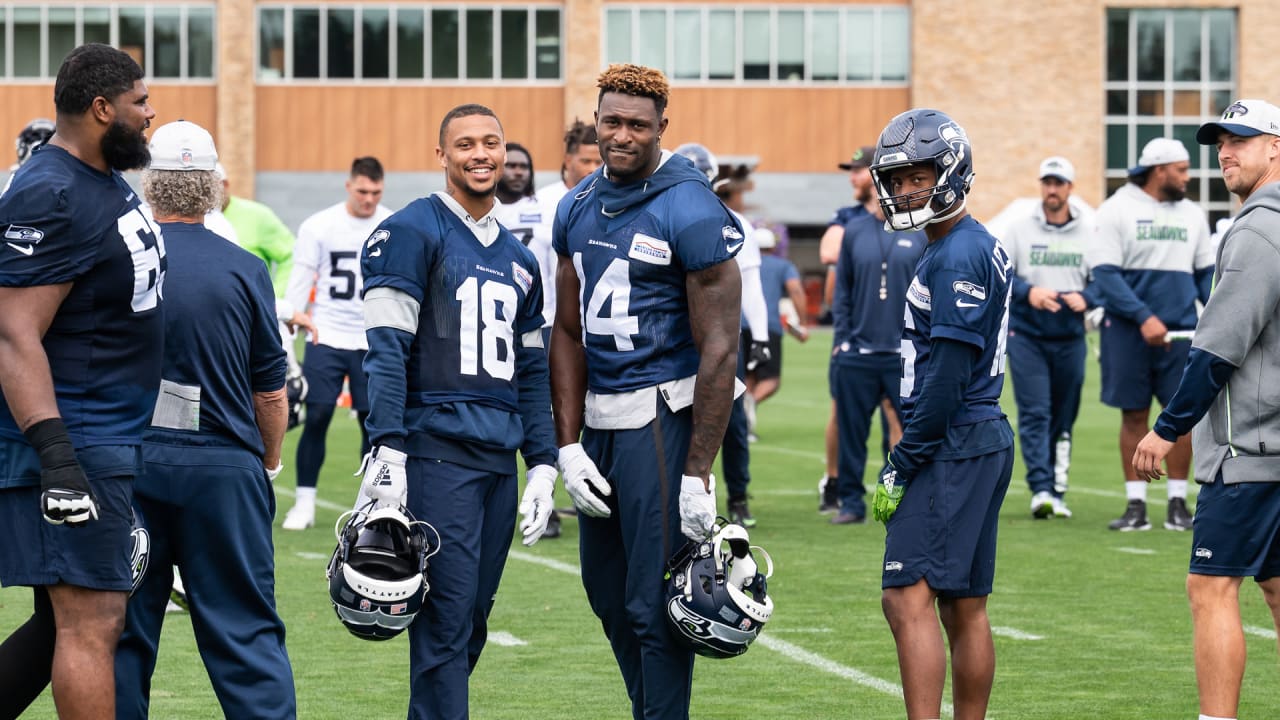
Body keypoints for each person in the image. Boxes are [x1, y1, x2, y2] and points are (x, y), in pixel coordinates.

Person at [550, 64, 742, 720]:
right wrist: (566, 446)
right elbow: (569, 331)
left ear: (664, 127)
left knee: (654, 600)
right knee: (606, 595)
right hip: (601, 421)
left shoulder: (689, 205)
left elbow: (720, 348)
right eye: (612, 121)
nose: (623, 135)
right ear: (595, 121)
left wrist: (698, 473)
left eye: (638, 124)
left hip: (661, 413)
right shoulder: (576, 204)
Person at [356, 102, 556, 719]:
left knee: (470, 622)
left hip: (498, 459)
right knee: (444, 622)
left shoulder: (521, 260)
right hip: (437, 452)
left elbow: (532, 372)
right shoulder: (413, 230)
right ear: (441, 155)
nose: (481, 154)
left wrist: (543, 461)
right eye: (465, 144)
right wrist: (386, 447)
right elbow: (386, 351)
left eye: (491, 142)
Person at [0, 43, 162, 719]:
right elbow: (13, 333)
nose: (151, 114)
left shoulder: (100, 176)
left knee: (61, 624)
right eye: (140, 101)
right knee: (90, 623)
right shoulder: (53, 190)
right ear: (102, 109)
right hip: (78, 440)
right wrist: (59, 457)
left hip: (107, 431)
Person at [113, 120, 294, 719]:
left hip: (128, 464)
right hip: (222, 465)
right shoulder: (245, 267)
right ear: (214, 184)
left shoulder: (115, 258)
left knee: (120, 635)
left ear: (150, 182)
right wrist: (266, 463)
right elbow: (271, 390)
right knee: (244, 633)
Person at [1132, 98, 1280, 720]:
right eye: (1219, 142)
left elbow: (1218, 347)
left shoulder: (1255, 228)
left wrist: (1166, 430)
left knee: (1210, 588)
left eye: (1241, 140)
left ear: (1276, 147)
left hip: (1251, 449)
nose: (1225, 152)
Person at [868, 108, 1014, 720]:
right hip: (976, 436)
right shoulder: (964, 243)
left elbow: (950, 375)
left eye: (919, 176)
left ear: (952, 170)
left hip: (955, 438)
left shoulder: (957, 253)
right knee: (963, 604)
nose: (906, 191)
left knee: (906, 596)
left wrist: (904, 461)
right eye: (897, 180)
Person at [1088, 137, 1215, 531]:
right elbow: (1105, 275)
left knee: (1182, 418)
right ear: (1159, 170)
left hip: (1181, 333)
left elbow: (1204, 274)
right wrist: (1142, 316)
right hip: (1128, 335)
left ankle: (1178, 505)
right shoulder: (1116, 210)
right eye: (1181, 170)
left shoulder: (1193, 214)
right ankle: (1136, 506)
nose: (1187, 177)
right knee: (1134, 415)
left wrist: (1214, 313)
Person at [280, 156, 392, 530]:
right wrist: (291, 319)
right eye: (362, 191)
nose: (369, 199)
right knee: (319, 415)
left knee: (371, 423)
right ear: (349, 186)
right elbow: (303, 274)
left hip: (371, 335)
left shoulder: (391, 224)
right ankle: (305, 503)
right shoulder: (320, 225)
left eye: (376, 192)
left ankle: (369, 506)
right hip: (325, 332)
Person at [673, 141, 768, 527]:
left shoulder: (733, 223)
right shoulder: (664, 216)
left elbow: (751, 285)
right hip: (676, 337)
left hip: (722, 335)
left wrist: (759, 336)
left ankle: (739, 494)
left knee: (732, 422)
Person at [1004, 157, 1100, 520]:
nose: (1052, 189)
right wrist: (1028, 291)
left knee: (1063, 417)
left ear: (1070, 188)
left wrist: (1088, 298)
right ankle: (1041, 488)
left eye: (1059, 183)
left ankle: (1058, 489)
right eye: (1047, 182)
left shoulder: (1090, 232)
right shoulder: (1018, 228)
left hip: (1071, 337)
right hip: (1027, 335)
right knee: (1035, 413)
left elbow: (1106, 278)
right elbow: (1000, 275)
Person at [829, 171, 925, 525]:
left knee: (908, 433)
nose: (893, 194)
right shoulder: (854, 231)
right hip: (859, 353)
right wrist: (843, 340)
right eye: (889, 187)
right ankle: (851, 503)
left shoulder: (918, 233)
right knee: (852, 431)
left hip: (903, 355)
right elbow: (842, 292)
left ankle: (902, 497)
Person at [818, 147, 875, 514]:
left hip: (888, 327)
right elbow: (828, 252)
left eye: (858, 170)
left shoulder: (902, 217)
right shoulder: (848, 216)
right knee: (842, 408)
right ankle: (834, 481)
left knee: (896, 411)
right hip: (852, 330)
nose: (852, 177)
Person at [749, 227, 810, 409]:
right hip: (767, 327)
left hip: (738, 326)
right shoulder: (782, 266)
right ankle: (747, 407)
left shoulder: (743, 263)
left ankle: (744, 427)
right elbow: (796, 290)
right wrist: (803, 323)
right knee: (771, 380)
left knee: (748, 377)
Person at [536, 119, 603, 211]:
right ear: (568, 161)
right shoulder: (543, 201)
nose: (592, 169)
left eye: (599, 162)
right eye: (586, 161)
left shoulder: (610, 201)